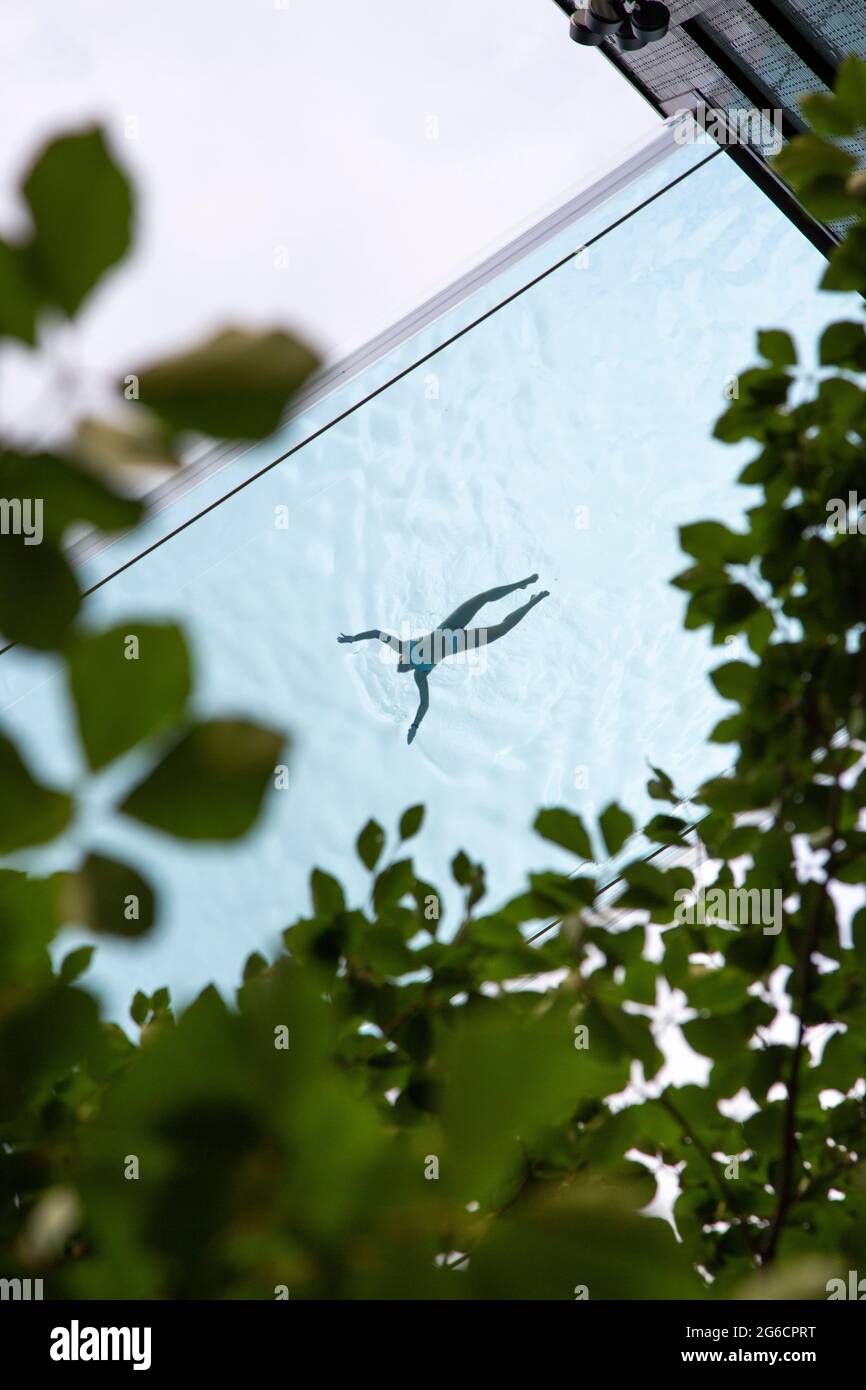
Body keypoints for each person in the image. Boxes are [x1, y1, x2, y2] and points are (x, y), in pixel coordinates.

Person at [338, 575, 548, 743]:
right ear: (408, 665)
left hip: (450, 627)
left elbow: (376, 633)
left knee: (484, 602)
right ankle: (531, 601)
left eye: (401, 660)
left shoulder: (411, 660)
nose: (402, 659)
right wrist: (415, 726)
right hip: (461, 639)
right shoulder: (420, 672)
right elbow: (424, 703)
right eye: (403, 662)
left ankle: (522, 586)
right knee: (498, 623)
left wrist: (354, 638)